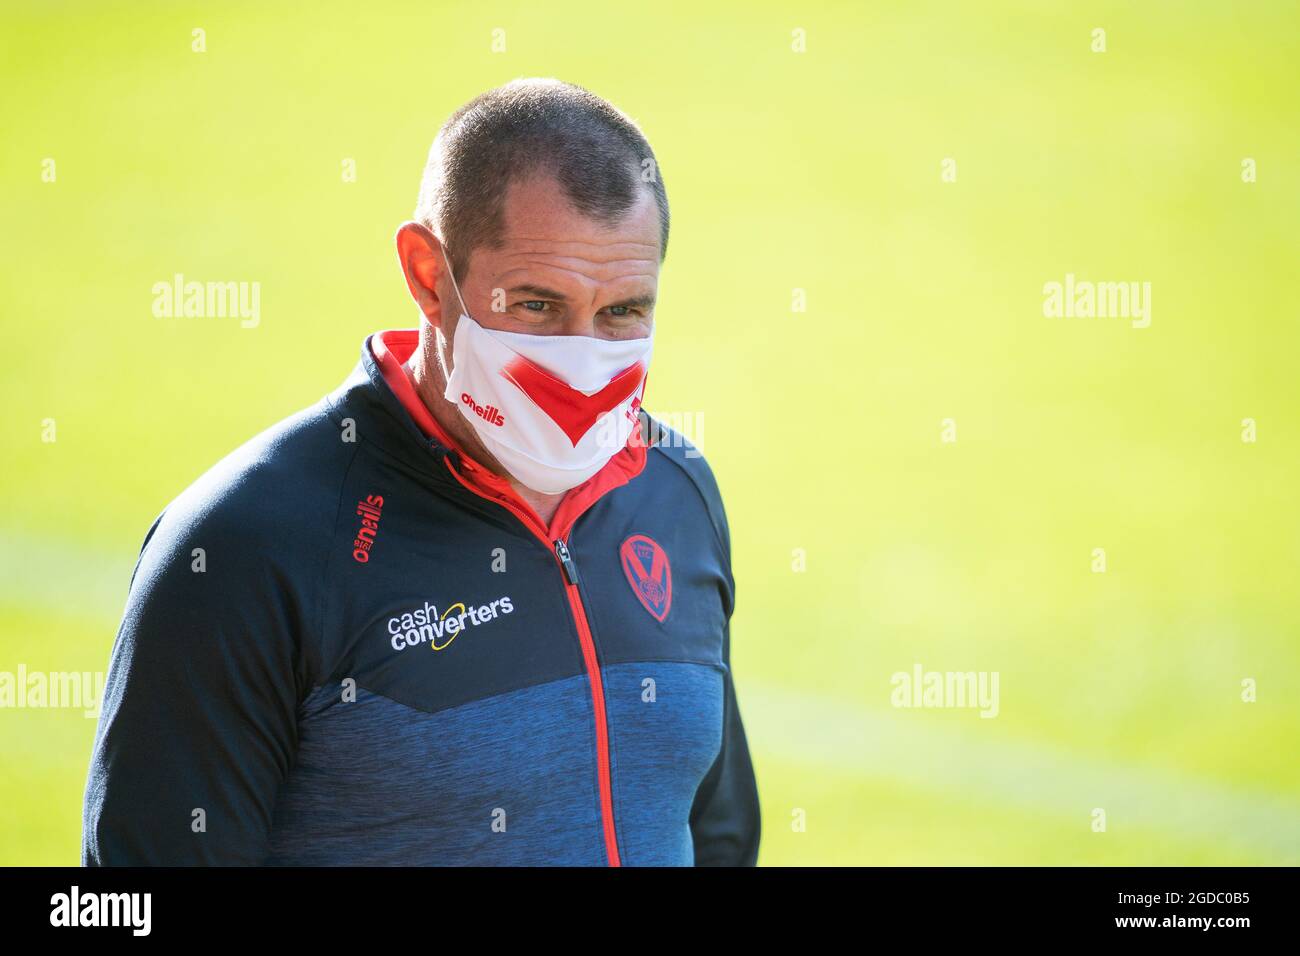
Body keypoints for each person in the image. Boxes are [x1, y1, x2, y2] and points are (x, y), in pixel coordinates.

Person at [82, 78, 759, 866]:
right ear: (429, 277)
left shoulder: (677, 492)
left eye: (623, 313)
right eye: (536, 306)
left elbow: (714, 833)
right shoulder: (244, 549)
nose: (582, 367)